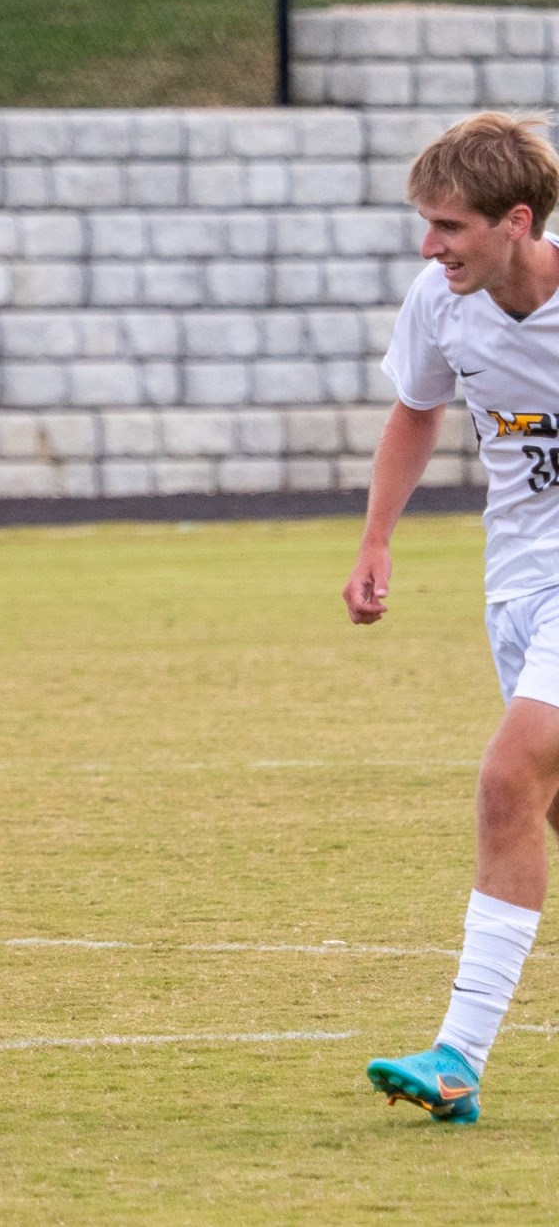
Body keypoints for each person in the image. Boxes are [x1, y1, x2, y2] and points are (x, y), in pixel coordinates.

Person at [346, 112, 559, 1124]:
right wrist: (377, 539)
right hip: (515, 583)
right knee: (549, 809)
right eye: (428, 225)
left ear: (517, 221)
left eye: (450, 225)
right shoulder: (442, 303)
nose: (430, 246)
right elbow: (415, 409)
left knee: (507, 775)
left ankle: (457, 1055)